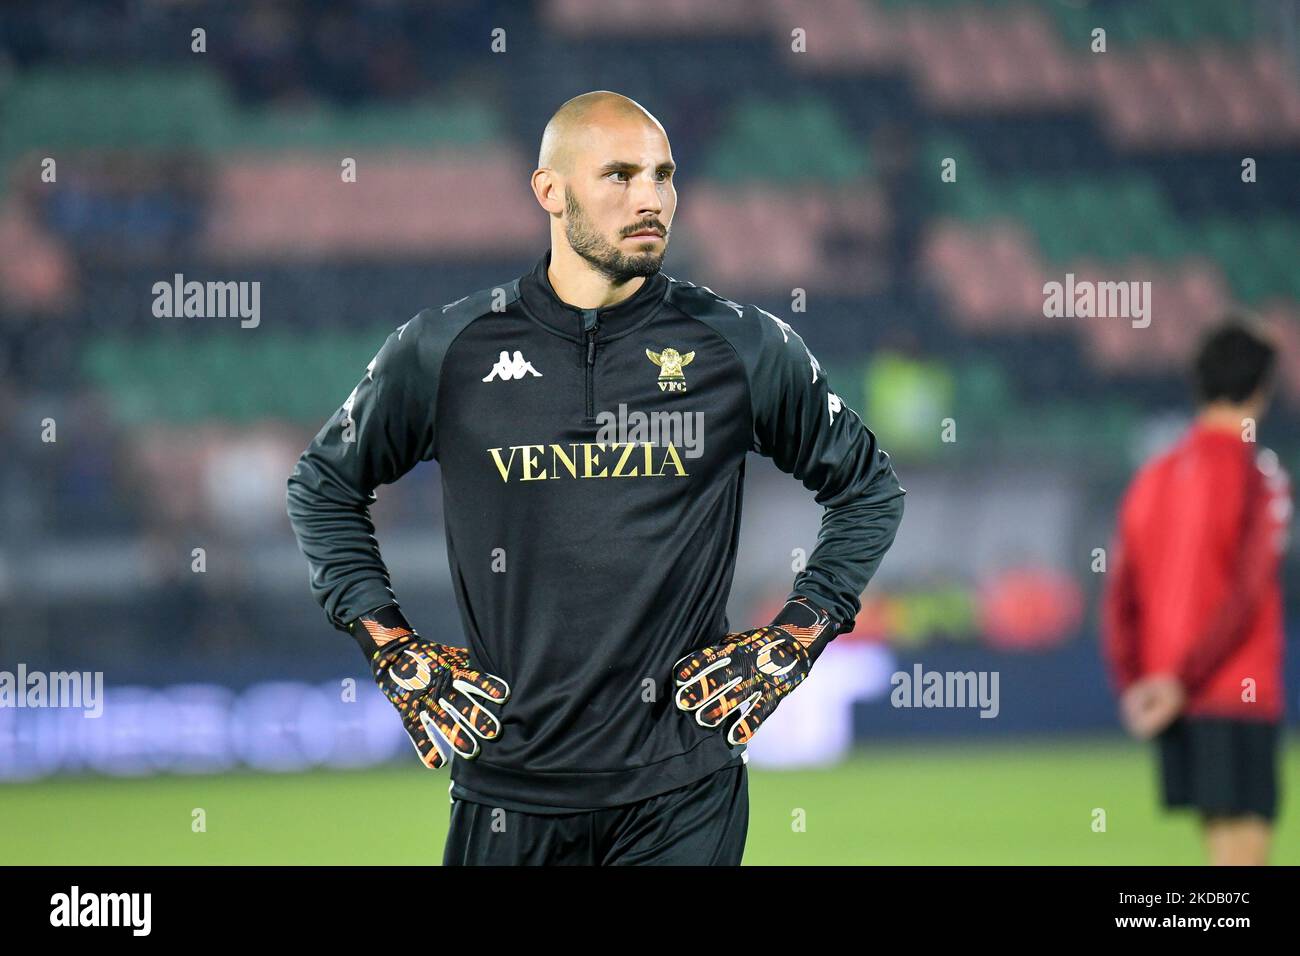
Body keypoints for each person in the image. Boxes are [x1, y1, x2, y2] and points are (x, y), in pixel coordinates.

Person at [287, 90, 904, 865]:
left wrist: (800, 633)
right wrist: (387, 641)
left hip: (684, 791)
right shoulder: (448, 351)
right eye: (619, 175)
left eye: (663, 175)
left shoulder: (741, 349)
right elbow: (323, 486)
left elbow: (868, 487)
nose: (651, 199)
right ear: (551, 191)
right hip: (507, 791)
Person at [1103, 317, 1291, 865]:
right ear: (1261, 389)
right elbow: (1247, 592)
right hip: (1234, 688)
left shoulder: (1153, 476)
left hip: (1172, 697)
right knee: (1246, 860)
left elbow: (1120, 597)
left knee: (1221, 858)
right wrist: (1183, 682)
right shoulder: (1260, 475)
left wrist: (1136, 682)